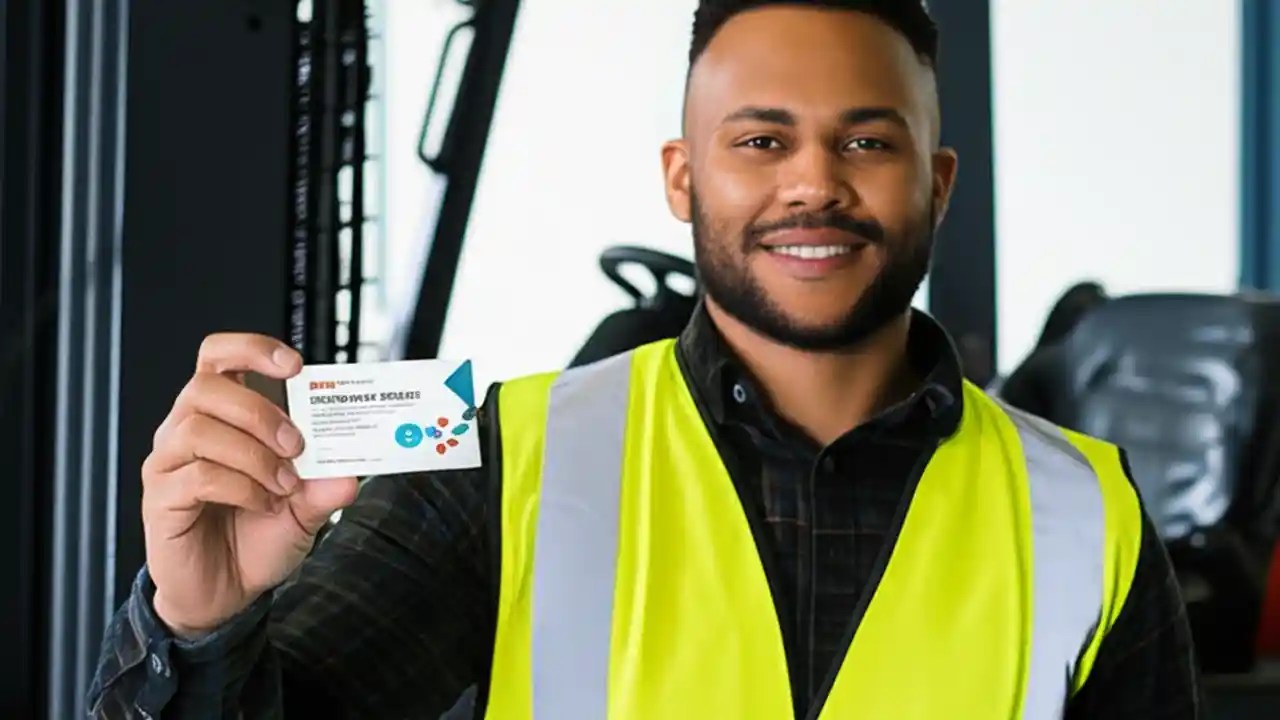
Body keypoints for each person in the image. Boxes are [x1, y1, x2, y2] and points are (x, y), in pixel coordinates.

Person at [89, 1, 1200, 717]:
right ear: (681, 178)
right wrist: (199, 630)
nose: (812, 182)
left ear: (937, 182)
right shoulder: (503, 465)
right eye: (760, 140)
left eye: (865, 140)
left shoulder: (1083, 514)